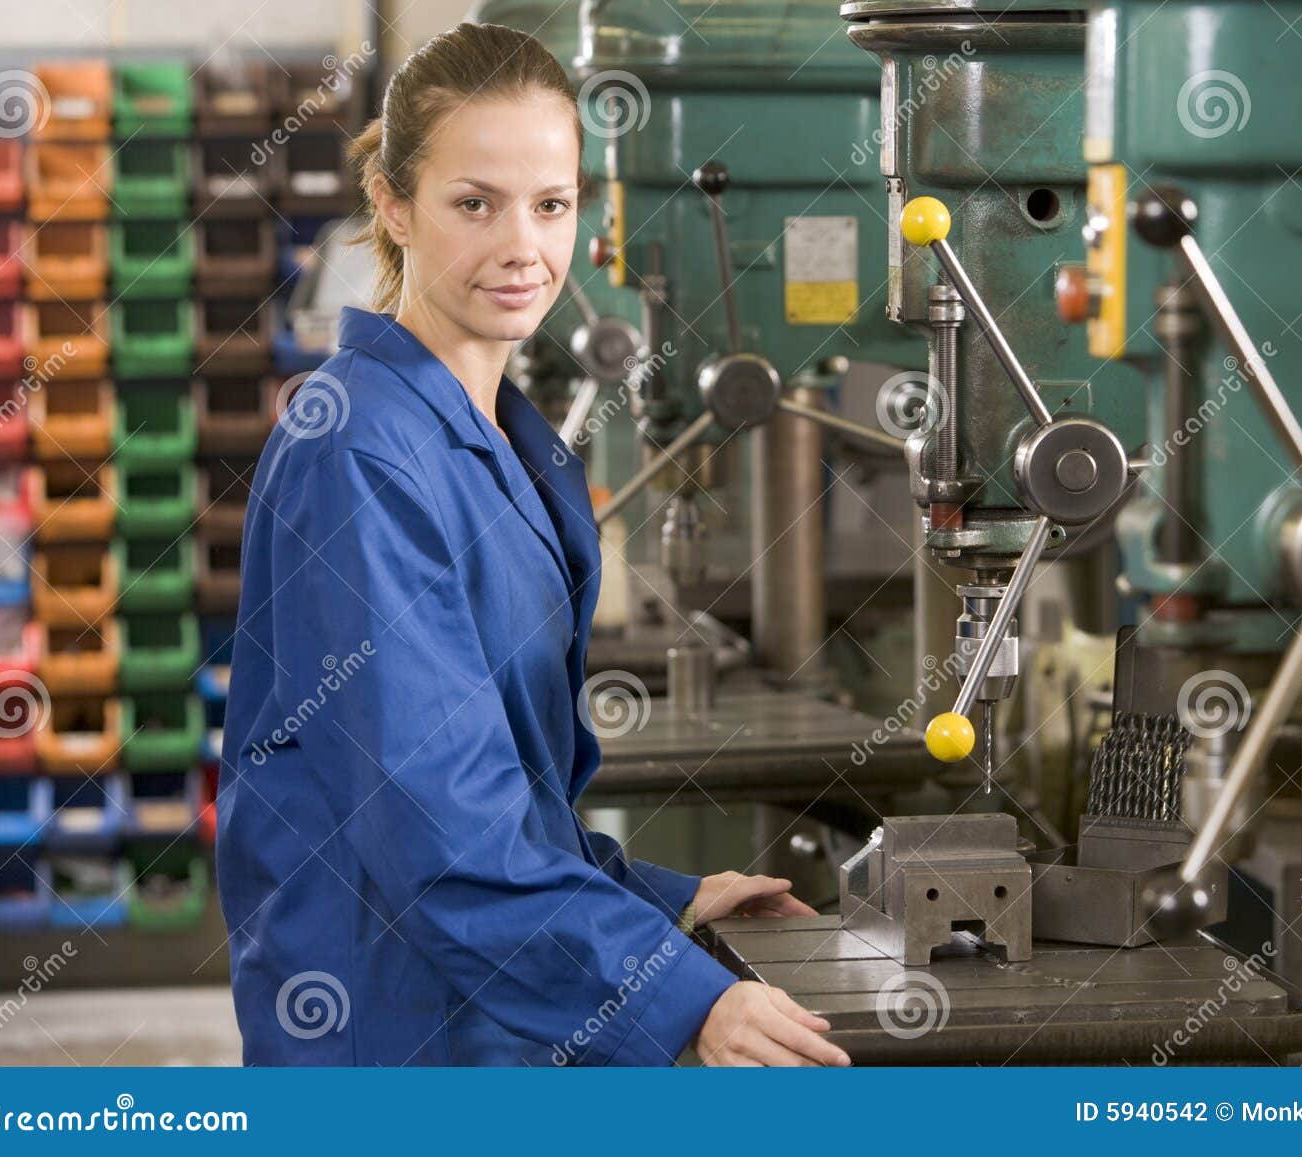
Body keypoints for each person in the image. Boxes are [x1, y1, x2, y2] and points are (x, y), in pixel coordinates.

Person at [217, 22, 850, 1068]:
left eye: (550, 205)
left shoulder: (511, 440)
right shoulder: (362, 453)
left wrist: (664, 899)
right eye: (476, 203)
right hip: (395, 1033)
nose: (523, 246)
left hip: (487, 1019)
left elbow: (513, 803)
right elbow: (440, 835)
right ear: (392, 204)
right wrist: (679, 998)